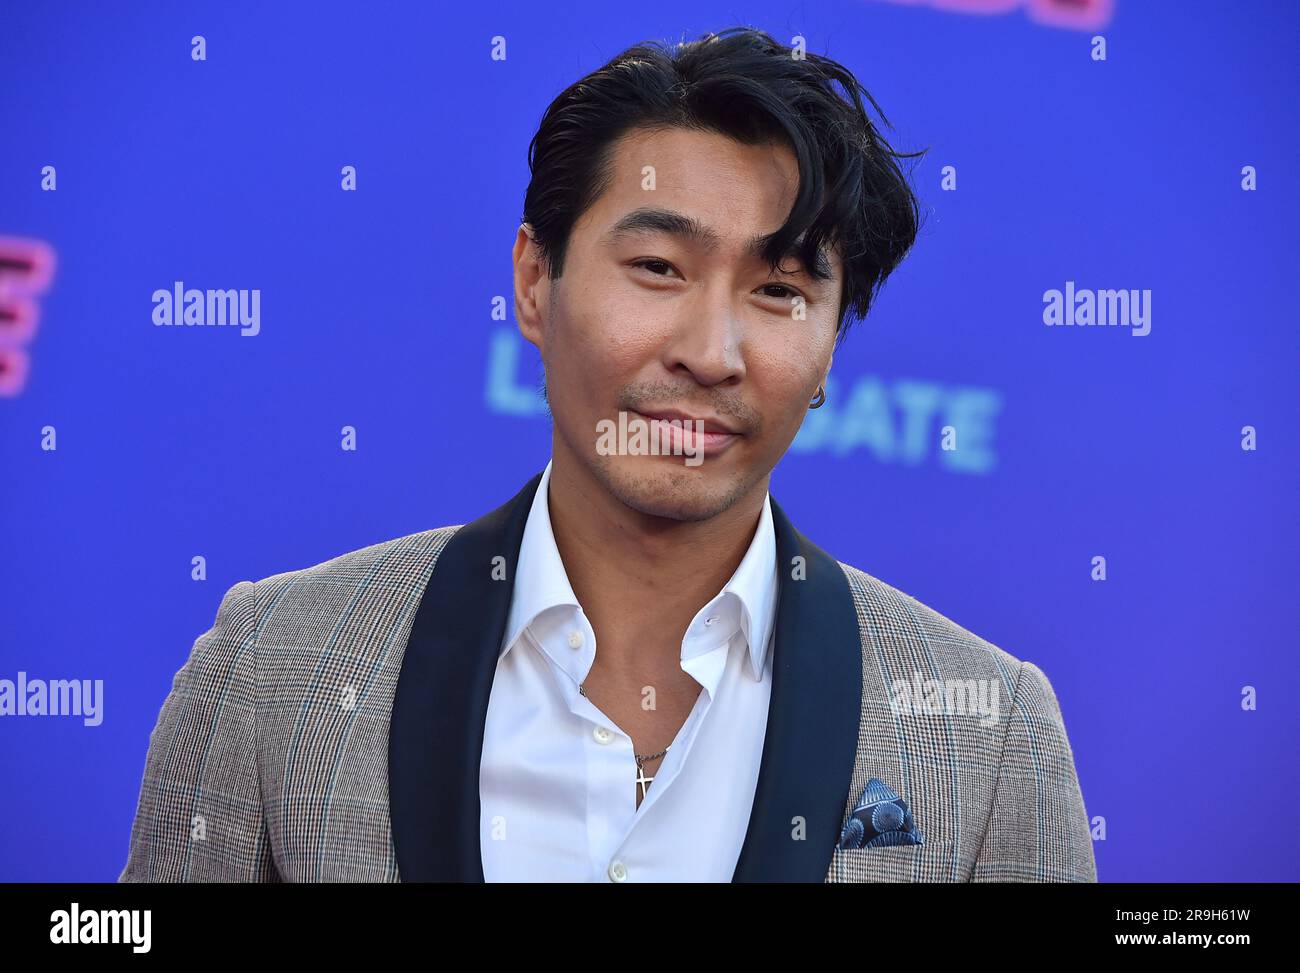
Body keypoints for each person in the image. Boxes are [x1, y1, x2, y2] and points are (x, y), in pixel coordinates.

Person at [120, 26, 1096, 883]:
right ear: (534, 281)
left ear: (832, 347)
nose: (711, 353)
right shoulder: (274, 668)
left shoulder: (986, 731)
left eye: (779, 292)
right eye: (658, 269)